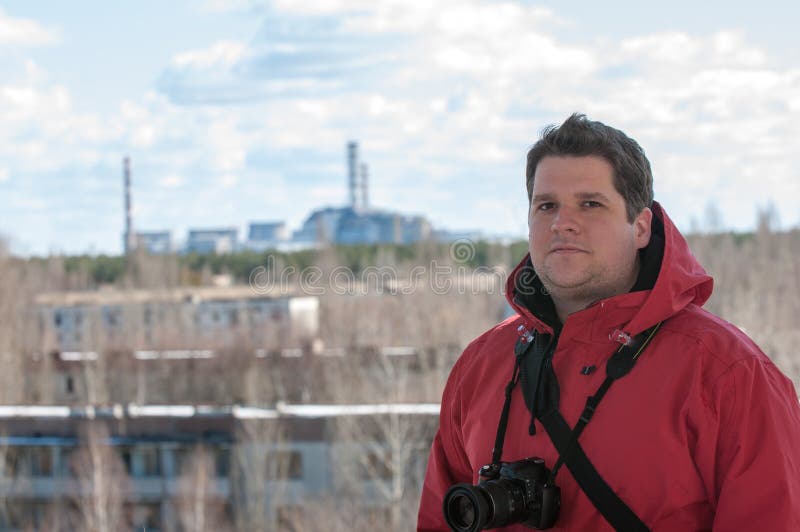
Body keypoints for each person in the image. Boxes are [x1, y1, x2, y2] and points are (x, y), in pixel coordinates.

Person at [417, 114, 800, 531]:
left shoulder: (726, 374)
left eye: (590, 203)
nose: (562, 222)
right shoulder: (480, 366)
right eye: (546, 205)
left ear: (639, 227)